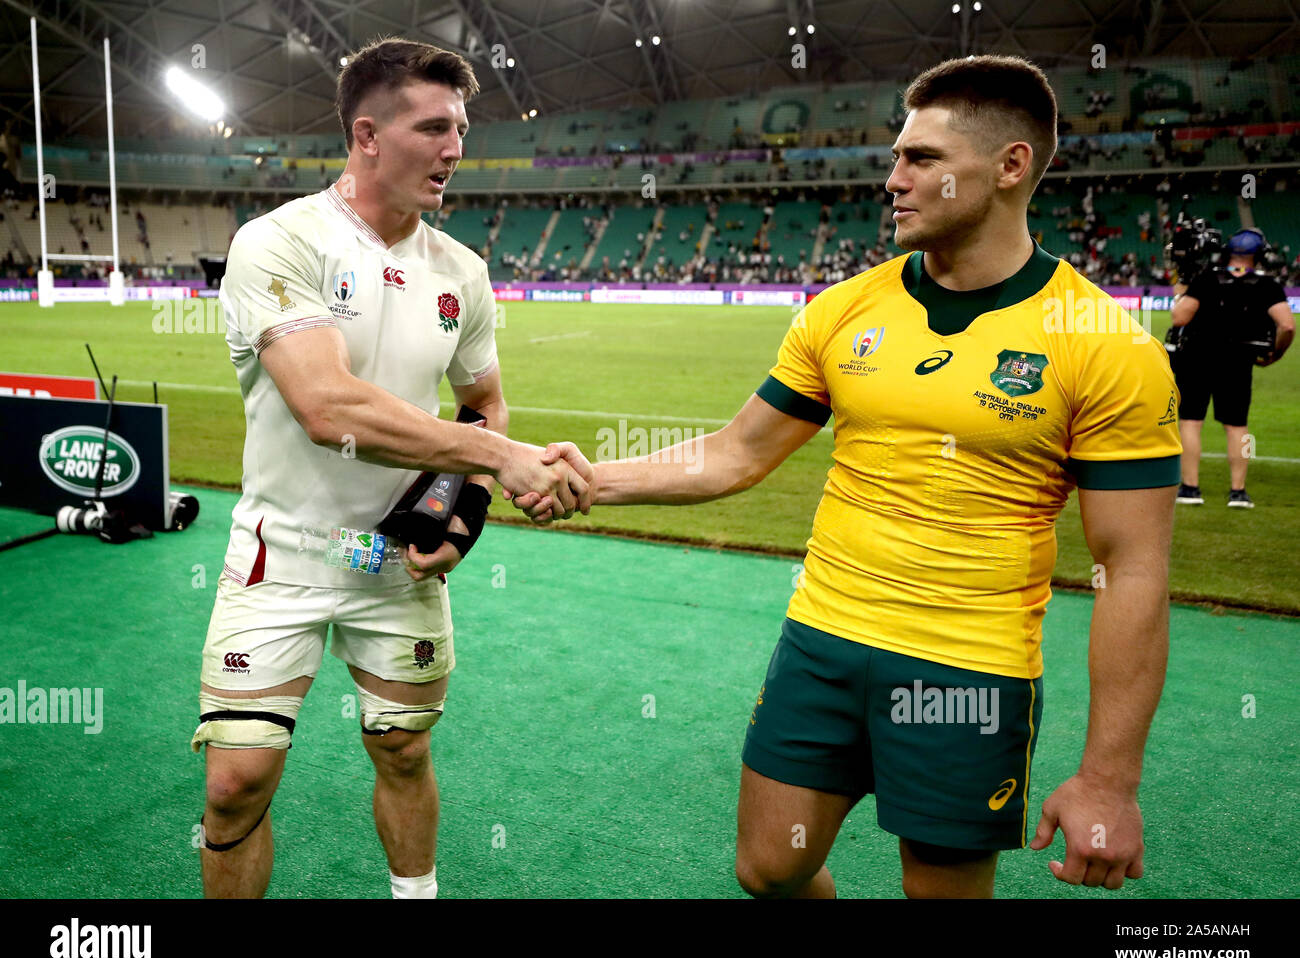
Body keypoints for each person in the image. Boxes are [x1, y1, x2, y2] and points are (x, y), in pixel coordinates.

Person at [513, 55, 1180, 898]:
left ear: (1012, 166)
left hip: (966, 674)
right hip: (820, 642)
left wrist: (1110, 780)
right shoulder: (843, 308)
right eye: (898, 157)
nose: (893, 180)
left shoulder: (1105, 343)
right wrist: (592, 479)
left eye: (923, 159)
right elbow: (737, 451)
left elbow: (1134, 568)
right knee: (770, 871)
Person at [194, 38, 592, 899]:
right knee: (234, 785)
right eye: (434, 127)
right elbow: (327, 407)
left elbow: (484, 402)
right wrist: (500, 460)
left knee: (404, 750)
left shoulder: (464, 272)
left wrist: (464, 511)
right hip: (282, 553)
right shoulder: (278, 242)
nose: (456, 149)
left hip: (390, 562)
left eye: (461, 128)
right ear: (367, 135)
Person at [1168, 228, 1294, 508]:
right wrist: (1277, 353)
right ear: (1259, 255)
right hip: (1238, 360)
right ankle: (1238, 492)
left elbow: (1180, 317)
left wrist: (1180, 293)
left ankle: (1190, 489)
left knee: (1190, 421)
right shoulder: (1267, 284)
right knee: (1238, 427)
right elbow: (1287, 324)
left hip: (1197, 357)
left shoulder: (1207, 277)